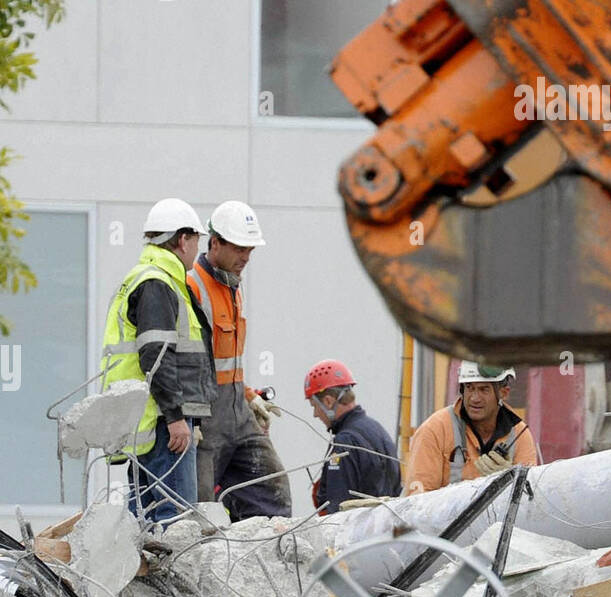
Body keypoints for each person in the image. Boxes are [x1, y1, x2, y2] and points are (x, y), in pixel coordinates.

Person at [100, 199, 215, 526]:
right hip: (165, 423)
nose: (198, 248)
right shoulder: (158, 283)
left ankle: (141, 577)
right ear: (182, 240)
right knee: (174, 519)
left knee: (145, 521)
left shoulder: (150, 278)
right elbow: (157, 354)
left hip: (152, 419)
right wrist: (176, 416)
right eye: (196, 240)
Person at [187, 201, 292, 519]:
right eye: (239, 249)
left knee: (272, 491)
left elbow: (227, 362)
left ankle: (268, 558)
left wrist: (249, 397)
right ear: (215, 243)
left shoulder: (233, 287)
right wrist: (187, 416)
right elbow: (190, 363)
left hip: (237, 413)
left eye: (250, 250)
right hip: (206, 419)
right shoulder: (193, 287)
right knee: (200, 508)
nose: (245, 257)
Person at [405, 361, 537, 496]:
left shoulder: (519, 435)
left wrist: (510, 480)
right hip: (446, 517)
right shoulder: (435, 430)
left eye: (484, 389)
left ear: (503, 392)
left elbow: (530, 502)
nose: (474, 398)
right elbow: (417, 501)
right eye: (470, 387)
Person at [305, 359, 400, 513]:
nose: (315, 414)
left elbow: (337, 510)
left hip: (358, 535)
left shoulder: (345, 442)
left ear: (328, 402)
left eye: (315, 406)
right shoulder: (377, 430)